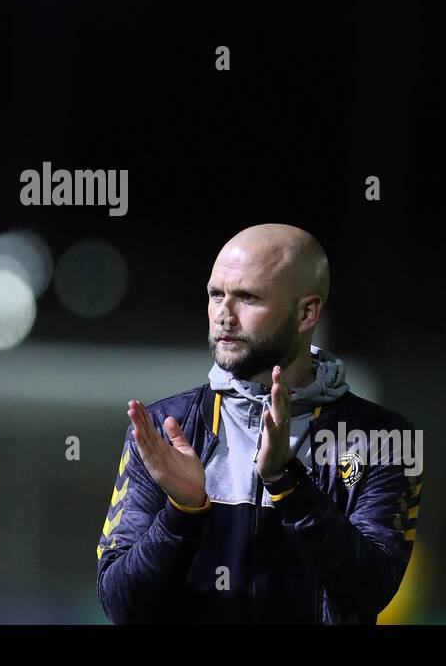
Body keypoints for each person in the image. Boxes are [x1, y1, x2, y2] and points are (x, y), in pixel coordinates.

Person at [96, 224, 421, 623]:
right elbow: (120, 605)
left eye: (248, 298)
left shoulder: (384, 439)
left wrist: (288, 485)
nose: (224, 315)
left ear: (307, 312)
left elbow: (371, 588)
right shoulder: (165, 428)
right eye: (216, 295)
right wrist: (183, 510)